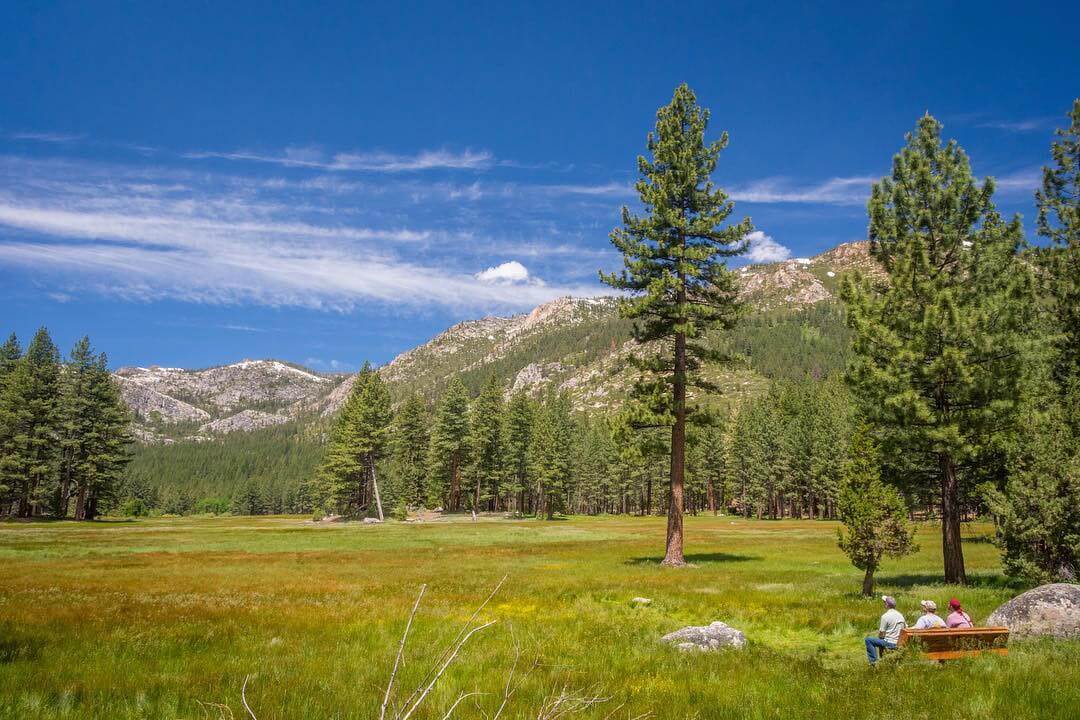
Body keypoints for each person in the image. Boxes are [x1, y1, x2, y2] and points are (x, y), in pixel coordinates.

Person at [865, 595, 906, 664]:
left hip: (890, 643)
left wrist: (880, 637)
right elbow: (905, 628)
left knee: (868, 640)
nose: (884, 604)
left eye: (884, 603)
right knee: (881, 640)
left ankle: (873, 662)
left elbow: (881, 634)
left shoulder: (885, 616)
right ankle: (883, 658)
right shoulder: (900, 615)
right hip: (899, 642)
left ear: (887, 605)